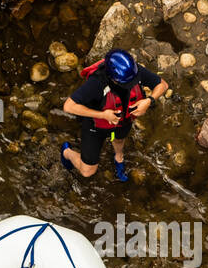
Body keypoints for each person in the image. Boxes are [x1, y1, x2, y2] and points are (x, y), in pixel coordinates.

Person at [59, 49, 167, 182]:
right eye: (126, 83)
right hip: (96, 126)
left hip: (123, 121)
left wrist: (149, 101)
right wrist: (103, 115)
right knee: (87, 171)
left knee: (119, 139)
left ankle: (118, 157)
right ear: (112, 78)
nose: (131, 84)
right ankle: (67, 152)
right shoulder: (96, 83)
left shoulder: (133, 72)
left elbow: (162, 85)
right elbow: (68, 106)